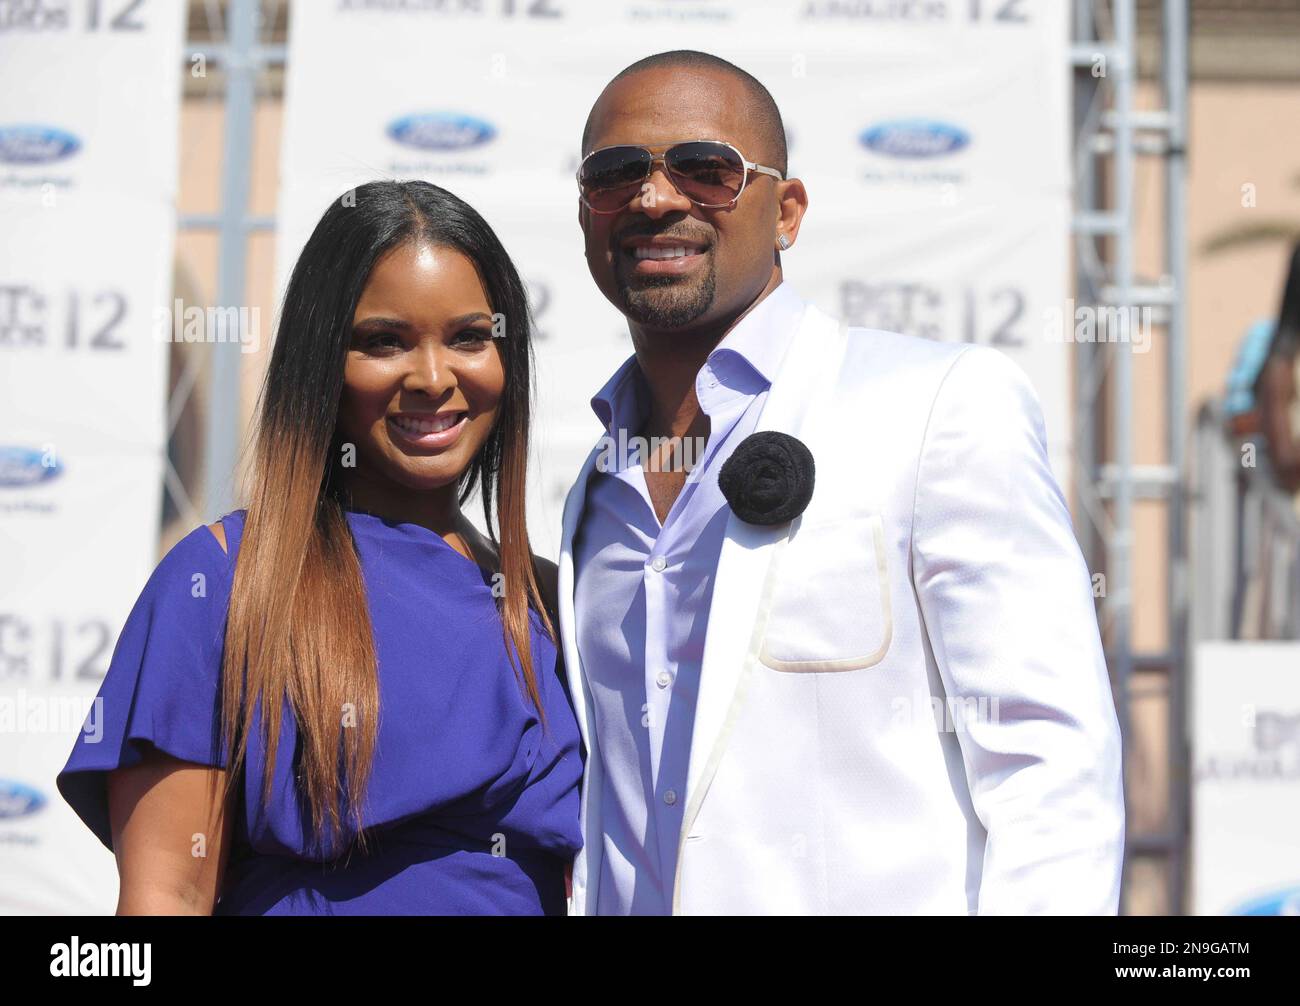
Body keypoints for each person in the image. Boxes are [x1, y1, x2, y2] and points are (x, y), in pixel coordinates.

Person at [558, 50, 1126, 915]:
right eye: (616, 174)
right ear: (588, 212)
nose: (656, 198)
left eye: (706, 170)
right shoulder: (594, 497)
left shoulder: (937, 404)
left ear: (787, 212)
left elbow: (1049, 763)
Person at [57, 180, 582, 915]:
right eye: (383, 341)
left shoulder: (555, 605)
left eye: (469, 336)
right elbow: (166, 896)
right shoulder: (222, 582)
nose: (433, 378)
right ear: (320, 365)